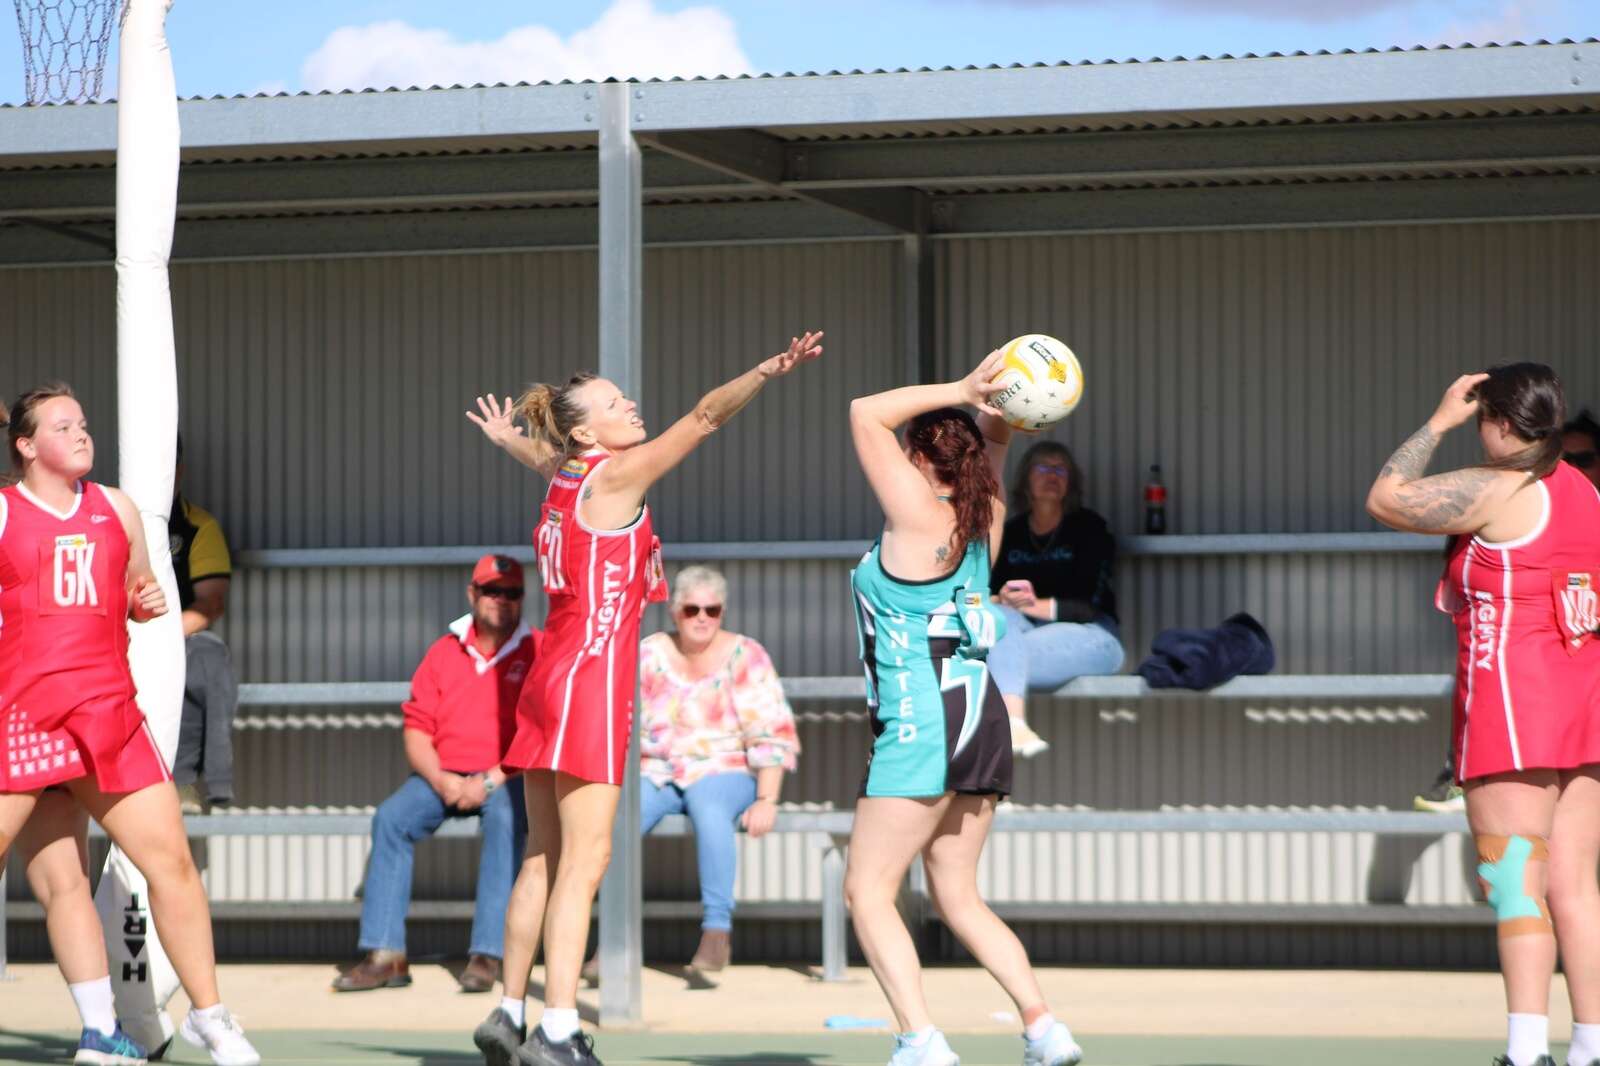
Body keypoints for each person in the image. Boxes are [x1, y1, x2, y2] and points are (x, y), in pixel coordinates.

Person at [465, 330, 823, 1066]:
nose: (631, 406)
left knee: (542, 855)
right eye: (614, 403)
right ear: (587, 430)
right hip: (591, 679)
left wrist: (509, 441)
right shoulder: (619, 475)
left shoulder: (567, 476)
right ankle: (558, 1028)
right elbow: (704, 418)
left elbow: (544, 455)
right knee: (583, 863)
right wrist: (766, 366)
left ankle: (508, 1011)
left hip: (547, 677)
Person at [0, 384, 260, 1066]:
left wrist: (144, 600)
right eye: (64, 426)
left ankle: (210, 1017)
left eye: (83, 423)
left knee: (170, 861)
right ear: (26, 446)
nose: (82, 434)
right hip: (25, 717)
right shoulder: (3, 514)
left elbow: (141, 593)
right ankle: (100, 1032)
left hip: (106, 713)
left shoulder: (114, 508)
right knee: (61, 881)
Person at [843, 351, 1084, 1066]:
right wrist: (1001, 402)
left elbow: (863, 412)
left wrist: (962, 389)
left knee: (867, 889)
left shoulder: (918, 512)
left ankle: (920, 1040)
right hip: (979, 719)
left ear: (920, 458)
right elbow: (999, 438)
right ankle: (1045, 1028)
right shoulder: (987, 516)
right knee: (958, 894)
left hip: (922, 718)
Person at [1367, 364, 1600, 1066]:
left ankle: (1526, 1050)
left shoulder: (1502, 489)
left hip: (1514, 699)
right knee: (1576, 886)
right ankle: (1590, 1042)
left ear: (1497, 421)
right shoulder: (1584, 490)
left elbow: (1385, 497)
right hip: (1581, 693)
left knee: (1513, 878)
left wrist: (1438, 422)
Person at [333, 554, 539, 995]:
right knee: (390, 818)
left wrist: (489, 780)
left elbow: (539, 731)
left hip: (506, 777)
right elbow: (417, 728)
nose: (501, 600)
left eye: (511, 592)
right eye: (491, 590)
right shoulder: (444, 650)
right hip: (441, 775)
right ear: (473, 594)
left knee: (507, 820)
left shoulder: (536, 650)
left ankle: (488, 955)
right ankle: (386, 955)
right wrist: (444, 780)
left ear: (523, 598)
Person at [1413, 404, 1600, 815]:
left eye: (1582, 459)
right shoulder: (1509, 496)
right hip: (1529, 694)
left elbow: (1387, 497)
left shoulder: (1586, 505)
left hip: (1580, 691)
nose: (1569, 467)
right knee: (1535, 865)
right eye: (1563, 458)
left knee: (1541, 872)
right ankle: (1455, 763)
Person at [637, 564, 799, 971]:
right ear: (675, 611)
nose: (703, 618)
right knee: (617, 821)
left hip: (724, 767)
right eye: (692, 609)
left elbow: (771, 729)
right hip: (656, 770)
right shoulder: (650, 652)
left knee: (710, 809)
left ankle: (716, 931)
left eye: (713, 610)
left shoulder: (747, 654)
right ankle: (613, 941)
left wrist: (767, 797)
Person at [987, 441, 1122, 758]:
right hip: (1021, 635)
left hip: (1094, 639)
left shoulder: (1089, 528)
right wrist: (1001, 597)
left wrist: (1031, 604)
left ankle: (1004, 724)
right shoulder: (1011, 533)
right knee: (998, 619)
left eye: (1061, 469)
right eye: (1043, 467)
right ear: (1025, 480)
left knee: (993, 660)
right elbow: (984, 596)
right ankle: (1013, 722)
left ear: (1071, 482)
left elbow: (1088, 607)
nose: (1052, 475)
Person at [169, 433, 238, 812]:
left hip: (173, 639)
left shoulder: (198, 526)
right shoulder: (108, 515)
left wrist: (157, 639)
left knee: (206, 657)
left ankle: (184, 783)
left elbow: (211, 602)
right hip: (106, 638)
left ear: (180, 470)